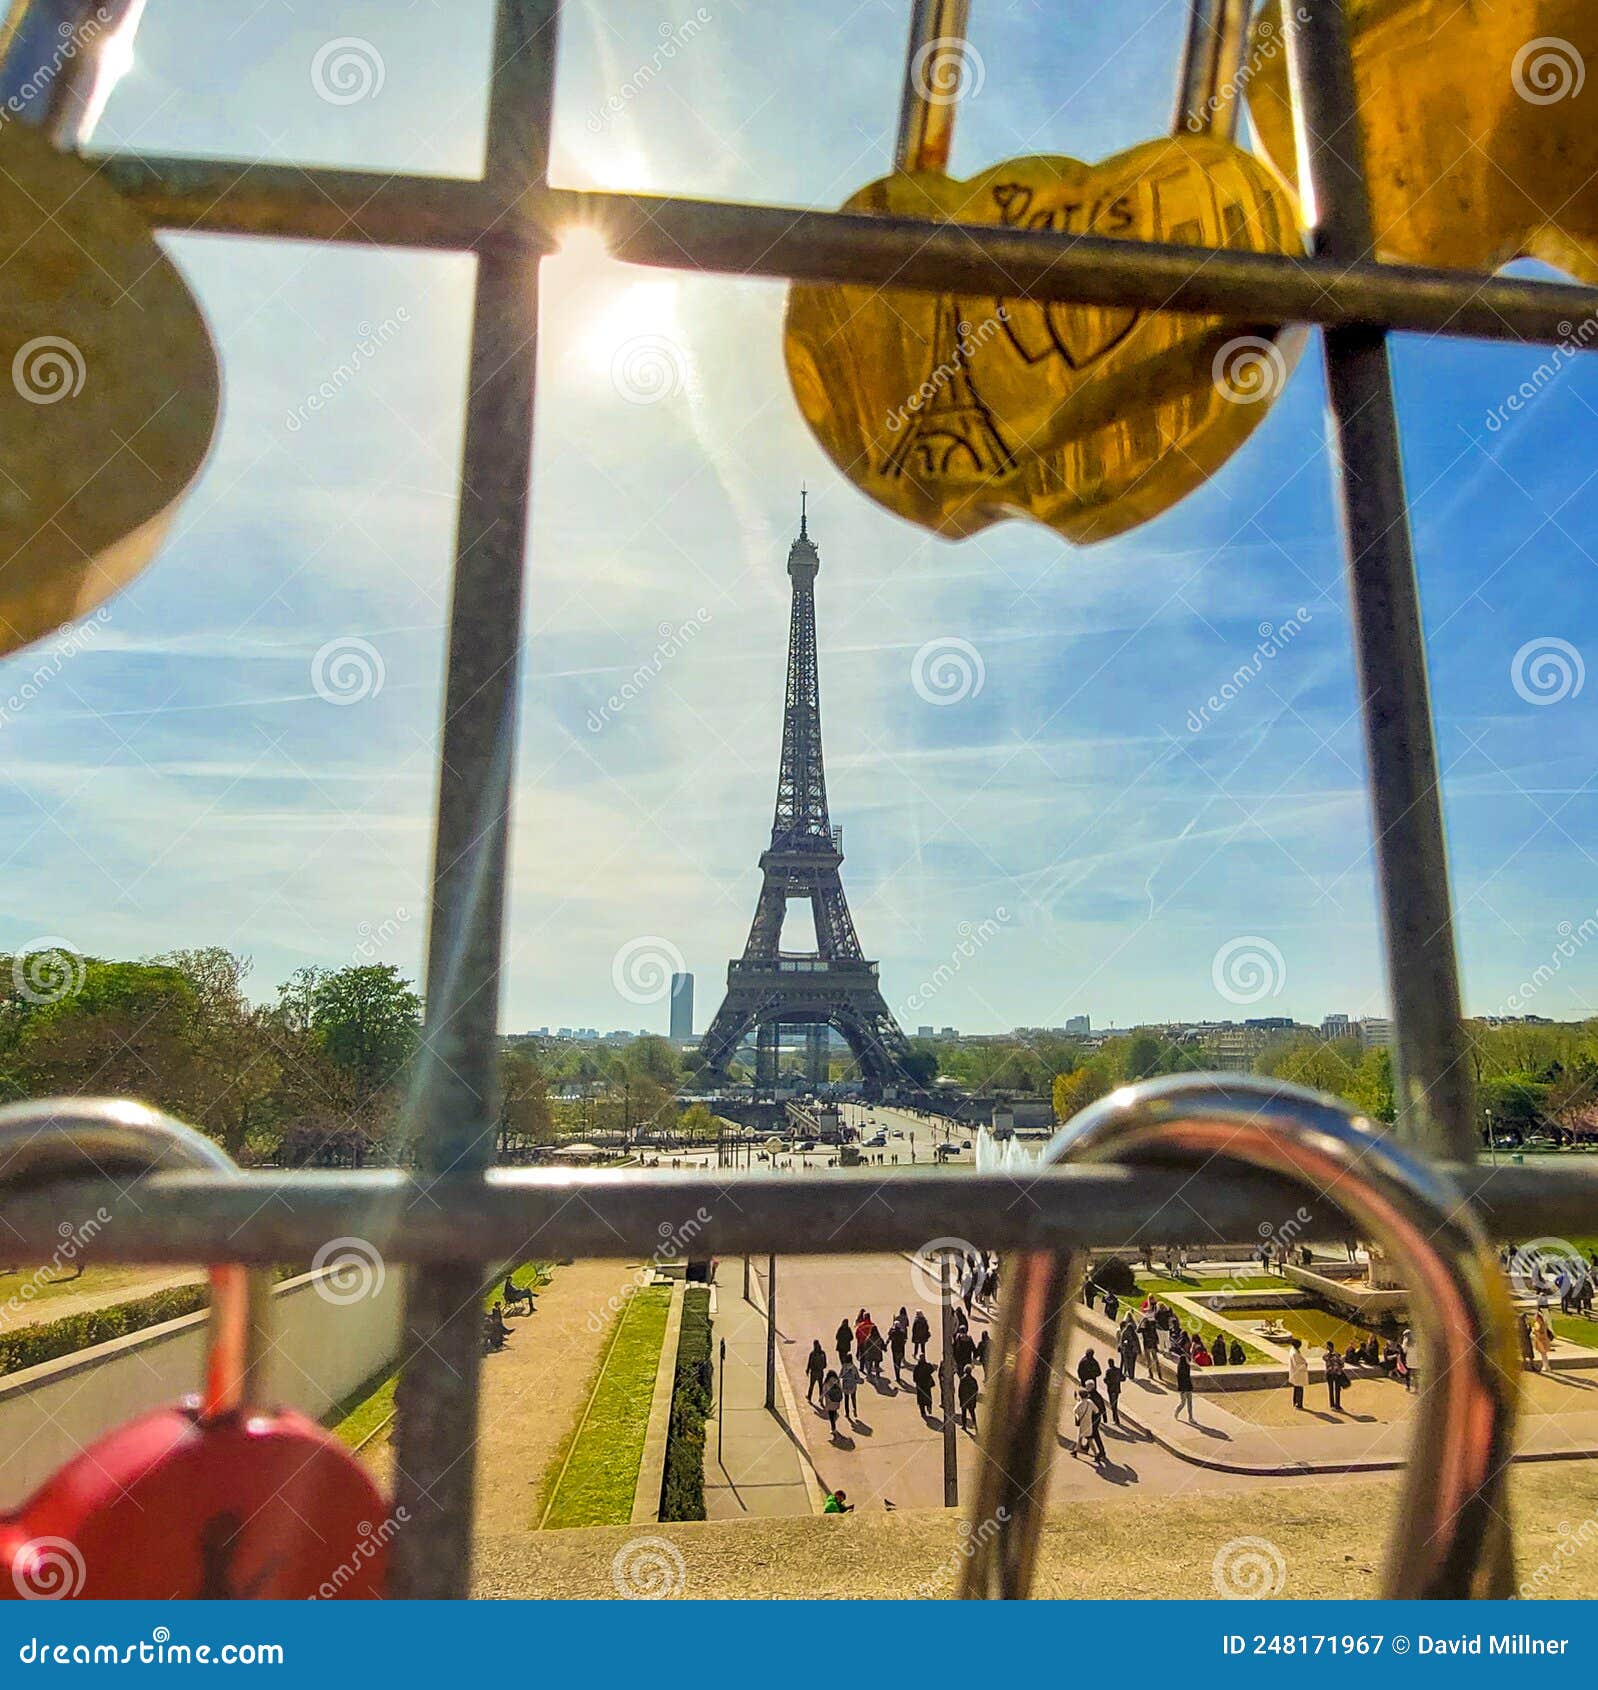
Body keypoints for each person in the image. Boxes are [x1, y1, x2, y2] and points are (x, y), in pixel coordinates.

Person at [1072, 1387, 1107, 1463]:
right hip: (1089, 1422)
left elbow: (1075, 1411)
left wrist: (1078, 1417)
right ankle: (1075, 1451)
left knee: (1089, 1440)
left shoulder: (1080, 1404)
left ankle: (1096, 1454)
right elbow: (1096, 1410)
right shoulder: (1090, 1402)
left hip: (1083, 1423)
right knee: (1080, 1437)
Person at [1287, 1338, 1309, 1410]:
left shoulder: (1292, 1350)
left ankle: (1295, 1402)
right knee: (1299, 1389)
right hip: (1298, 1373)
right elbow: (1298, 1365)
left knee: (1296, 1388)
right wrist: (1305, 1364)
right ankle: (1299, 1404)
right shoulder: (1295, 1353)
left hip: (1295, 1373)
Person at [1141, 1313, 1163, 1383]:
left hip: (1147, 1346)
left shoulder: (1144, 1330)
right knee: (1156, 1361)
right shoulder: (1153, 1330)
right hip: (1153, 1346)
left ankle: (1151, 1374)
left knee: (1149, 1361)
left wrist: (1141, 1321)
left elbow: (1137, 1329)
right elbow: (1157, 1338)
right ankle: (1159, 1374)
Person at [1324, 1342, 1346, 1411]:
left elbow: (1324, 1358)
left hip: (1329, 1373)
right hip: (1336, 1374)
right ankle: (1337, 1405)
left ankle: (1332, 1405)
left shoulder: (1325, 1356)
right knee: (1337, 1390)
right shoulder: (1337, 1355)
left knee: (1331, 1389)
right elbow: (1342, 1365)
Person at [957, 1365, 980, 1431]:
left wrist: (960, 1398)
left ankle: (964, 1426)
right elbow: (976, 1389)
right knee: (972, 1413)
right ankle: (976, 1426)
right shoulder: (973, 1380)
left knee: (964, 1413)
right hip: (971, 1400)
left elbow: (960, 1390)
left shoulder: (962, 1380)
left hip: (964, 1399)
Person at [805, 1339, 827, 1404]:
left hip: (814, 1372)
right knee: (820, 1386)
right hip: (820, 1372)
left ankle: (809, 1397)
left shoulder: (812, 1353)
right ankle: (821, 1399)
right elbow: (825, 1364)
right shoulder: (823, 1353)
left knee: (811, 1385)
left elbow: (809, 1363)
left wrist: (807, 1370)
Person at [1118, 1315, 1139, 1382]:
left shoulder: (1124, 1332)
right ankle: (1131, 1376)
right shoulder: (1133, 1334)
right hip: (1131, 1351)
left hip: (1127, 1351)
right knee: (1131, 1364)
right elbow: (1136, 1343)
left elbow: (1121, 1342)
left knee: (1128, 1363)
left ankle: (1129, 1375)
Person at [1175, 1349, 1194, 1421]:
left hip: (1188, 1387)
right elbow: (1180, 1380)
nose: (1187, 1360)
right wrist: (1182, 1389)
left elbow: (1189, 1378)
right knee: (1183, 1403)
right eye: (1186, 1359)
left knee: (1190, 1403)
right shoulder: (1180, 1370)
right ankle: (1177, 1412)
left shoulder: (1187, 1367)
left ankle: (1190, 1417)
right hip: (1183, 1389)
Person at [1103, 1357, 1124, 1426]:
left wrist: (1108, 1381)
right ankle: (1115, 1419)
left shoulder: (1108, 1371)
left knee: (1113, 1405)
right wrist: (1118, 1380)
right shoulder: (1118, 1370)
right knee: (1115, 1404)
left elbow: (1106, 1380)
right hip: (1117, 1389)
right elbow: (1123, 1378)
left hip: (1111, 1390)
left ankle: (1116, 1420)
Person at [822, 1369, 843, 1434]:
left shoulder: (827, 1382)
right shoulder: (837, 1381)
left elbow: (824, 1391)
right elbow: (840, 1389)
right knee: (834, 1412)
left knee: (831, 1416)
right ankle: (834, 1423)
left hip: (830, 1401)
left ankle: (833, 1428)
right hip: (836, 1401)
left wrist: (821, 1398)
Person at [888, 1314, 908, 1381]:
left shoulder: (892, 1332)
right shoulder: (902, 1333)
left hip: (894, 1349)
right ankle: (898, 1375)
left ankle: (897, 1376)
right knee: (898, 1362)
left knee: (895, 1362)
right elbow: (905, 1340)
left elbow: (889, 1337)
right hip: (900, 1349)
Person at [840, 1356, 861, 1420]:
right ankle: (854, 1408)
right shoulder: (854, 1367)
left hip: (845, 1386)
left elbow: (840, 1376)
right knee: (853, 1398)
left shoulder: (843, 1367)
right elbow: (857, 1377)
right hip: (853, 1385)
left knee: (846, 1400)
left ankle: (847, 1413)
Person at [1399, 1328, 1418, 1393]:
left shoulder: (1406, 1341)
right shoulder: (1417, 1341)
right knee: (1416, 1376)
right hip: (1417, 1361)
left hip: (1409, 1361)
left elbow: (1404, 1350)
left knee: (1407, 1374)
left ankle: (1408, 1387)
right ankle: (1416, 1388)